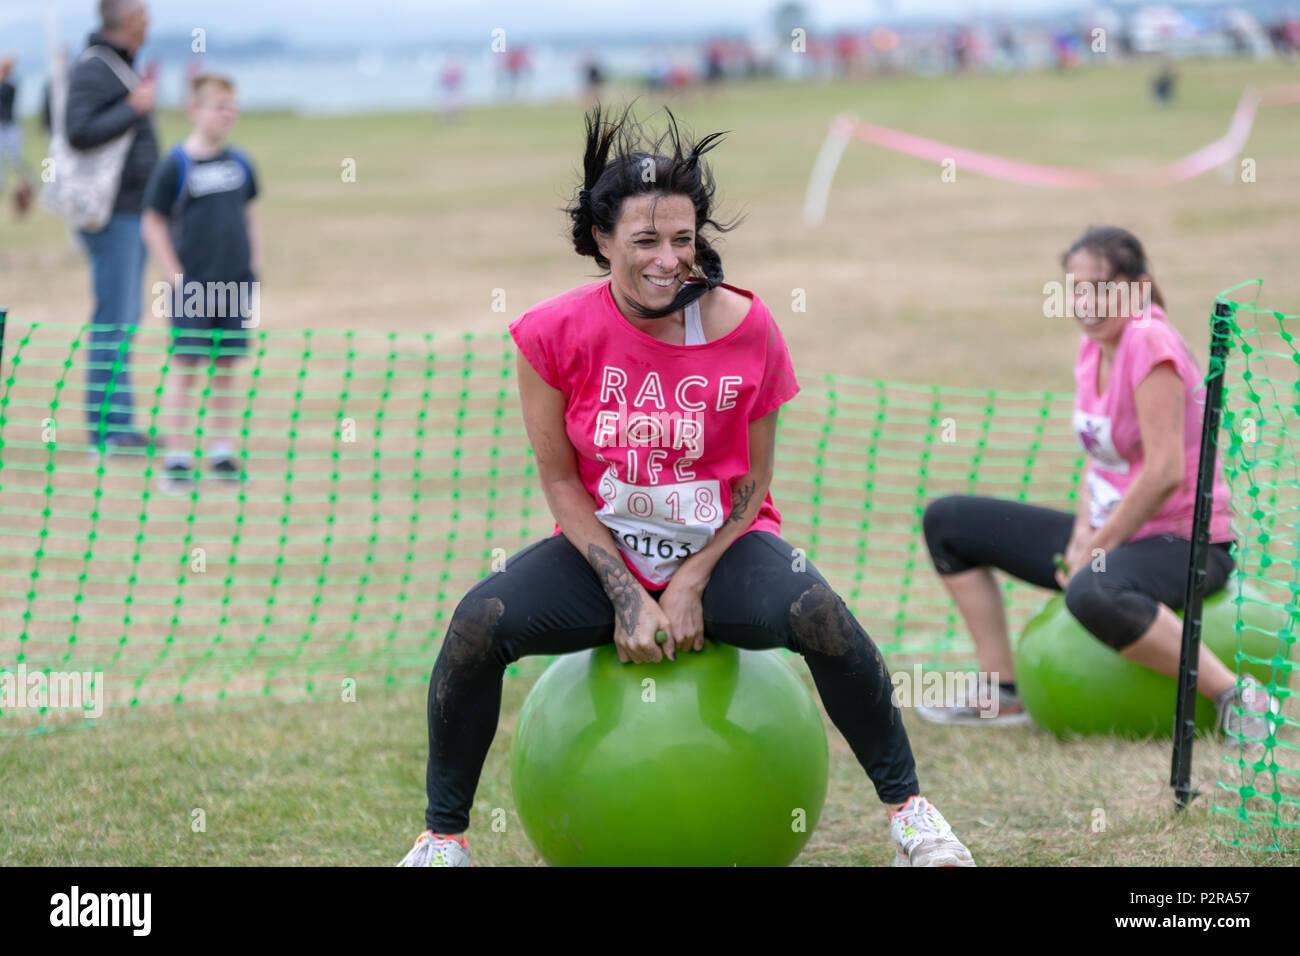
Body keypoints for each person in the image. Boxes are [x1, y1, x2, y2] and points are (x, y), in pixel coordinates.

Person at [397, 106, 975, 868]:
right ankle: (444, 841)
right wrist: (628, 592)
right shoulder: (549, 335)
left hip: (724, 547)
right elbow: (561, 481)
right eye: (645, 241)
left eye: (682, 238)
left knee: (821, 612)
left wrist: (693, 578)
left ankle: (911, 816)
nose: (669, 259)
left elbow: (756, 481)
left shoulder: (746, 326)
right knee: (479, 623)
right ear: (601, 242)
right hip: (602, 547)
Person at [918, 226, 1278, 739]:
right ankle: (1005, 692)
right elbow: (1100, 457)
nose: (1086, 302)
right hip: (1114, 534)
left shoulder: (1149, 342)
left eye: (1100, 287)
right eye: (1076, 288)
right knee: (947, 522)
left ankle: (1235, 696)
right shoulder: (1094, 348)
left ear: (1137, 286)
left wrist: (1097, 548)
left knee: (1090, 590)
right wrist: (1084, 531)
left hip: (1187, 544)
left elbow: (1164, 472)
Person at [141, 74, 259, 493]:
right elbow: (152, 222)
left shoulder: (240, 162)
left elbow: (248, 216)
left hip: (236, 284)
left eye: (233, 107)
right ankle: (176, 457)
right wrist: (173, 275)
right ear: (195, 110)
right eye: (219, 106)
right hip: (191, 286)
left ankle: (222, 452)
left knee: (226, 367)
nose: (228, 114)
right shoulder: (175, 164)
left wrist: (253, 264)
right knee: (186, 367)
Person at [64, 0, 158, 455]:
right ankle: (107, 432)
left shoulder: (117, 67)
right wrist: (133, 108)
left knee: (125, 317)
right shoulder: (94, 68)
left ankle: (120, 422)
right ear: (127, 21)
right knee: (113, 320)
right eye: (143, 14)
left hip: (133, 211)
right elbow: (76, 130)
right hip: (112, 213)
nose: (150, 23)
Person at [0, 56, 35, 217]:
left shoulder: (10, 87)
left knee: (14, 158)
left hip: (10, 126)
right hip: (3, 126)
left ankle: (29, 180)